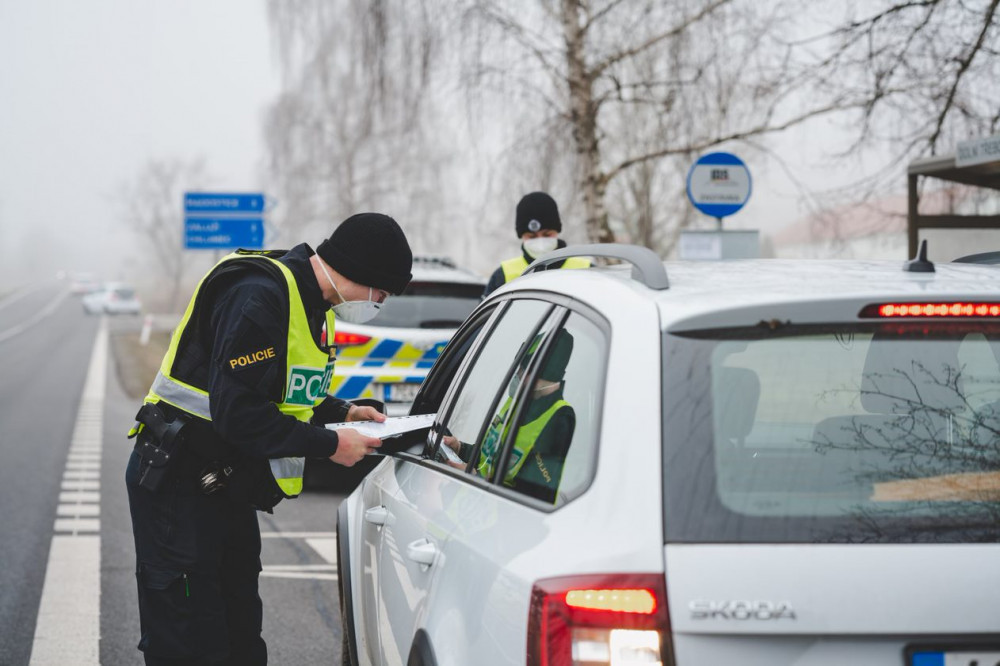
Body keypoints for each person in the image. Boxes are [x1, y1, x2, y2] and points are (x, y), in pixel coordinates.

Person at [124, 212, 413, 665]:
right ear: (357, 271)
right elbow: (239, 415)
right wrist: (332, 445)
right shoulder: (259, 297)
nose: (379, 302)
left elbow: (277, 389)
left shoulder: (312, 303)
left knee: (240, 633)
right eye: (381, 292)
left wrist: (342, 410)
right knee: (189, 638)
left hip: (225, 483)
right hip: (178, 482)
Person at [445, 329, 576, 504]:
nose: (517, 375)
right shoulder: (517, 402)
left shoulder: (560, 420)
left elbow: (533, 496)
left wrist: (476, 479)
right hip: (474, 510)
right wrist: (460, 448)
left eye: (522, 369)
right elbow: (490, 458)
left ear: (539, 373)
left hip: (503, 522)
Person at [482, 191, 591, 298]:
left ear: (557, 231)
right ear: (522, 236)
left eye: (547, 234)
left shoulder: (587, 271)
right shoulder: (503, 275)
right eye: (532, 236)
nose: (540, 241)